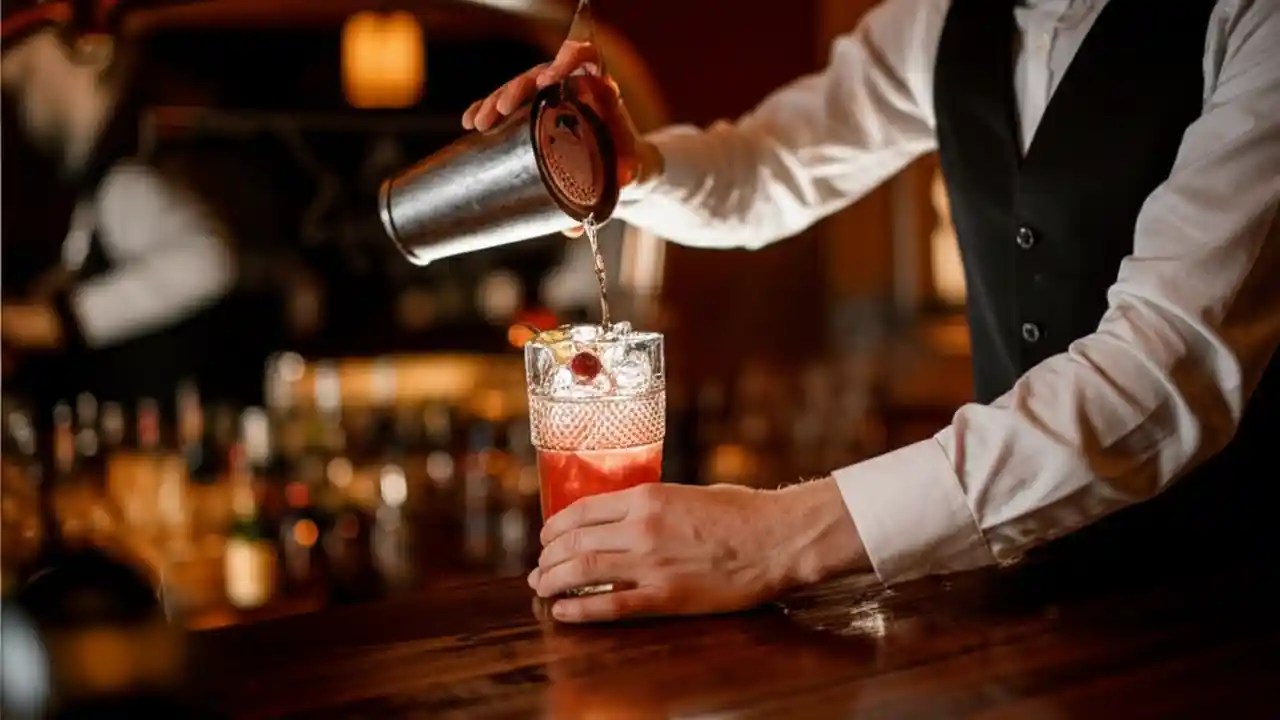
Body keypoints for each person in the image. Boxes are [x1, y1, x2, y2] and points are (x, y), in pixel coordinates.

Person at [465, 0, 1280, 623]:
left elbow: (1163, 367)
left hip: (1232, 613)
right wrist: (636, 168)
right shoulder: (942, 16)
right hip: (1028, 604)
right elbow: (768, 166)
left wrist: (772, 538)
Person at [1, 0, 269, 415]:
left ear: (82, 55)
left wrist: (63, 320)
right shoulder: (92, 178)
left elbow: (209, 258)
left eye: (26, 67)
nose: (10, 77)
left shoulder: (125, 178)